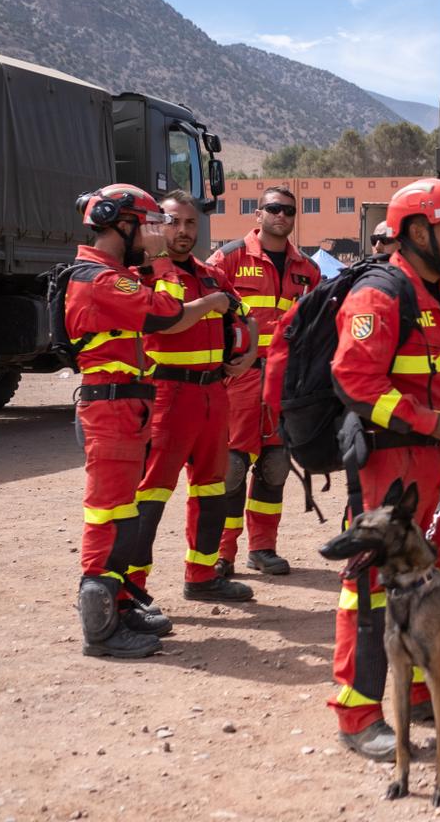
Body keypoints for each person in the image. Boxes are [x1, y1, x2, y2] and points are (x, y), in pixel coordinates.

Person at [329, 178, 440, 761]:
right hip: (389, 464)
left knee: (430, 577)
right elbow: (355, 382)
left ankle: (423, 690)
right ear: (418, 231)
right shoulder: (380, 295)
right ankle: (358, 712)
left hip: (435, 463)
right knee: (372, 586)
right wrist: (431, 423)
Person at [68, 183, 231, 658]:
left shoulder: (109, 273)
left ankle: (119, 603)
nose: (155, 233)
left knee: (121, 512)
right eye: (148, 223)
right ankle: (101, 630)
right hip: (112, 408)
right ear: (123, 224)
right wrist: (161, 262)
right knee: (109, 514)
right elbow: (167, 311)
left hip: (126, 405)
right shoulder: (100, 278)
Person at [129, 191, 260, 620]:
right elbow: (169, 318)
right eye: (173, 222)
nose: (183, 231)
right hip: (168, 396)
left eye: (190, 223)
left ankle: (202, 577)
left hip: (212, 394)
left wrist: (249, 351)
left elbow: (246, 314)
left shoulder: (208, 274)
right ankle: (132, 589)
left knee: (211, 489)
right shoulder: (143, 274)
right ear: (155, 225)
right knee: (150, 494)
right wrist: (212, 302)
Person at [207, 187, 320, 577]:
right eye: (273, 209)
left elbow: (314, 326)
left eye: (288, 211)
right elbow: (206, 310)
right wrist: (222, 360)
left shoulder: (306, 268)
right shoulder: (229, 257)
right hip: (240, 379)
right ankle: (222, 554)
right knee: (232, 467)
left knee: (274, 466)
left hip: (283, 382)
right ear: (258, 214)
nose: (282, 216)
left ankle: (263, 549)